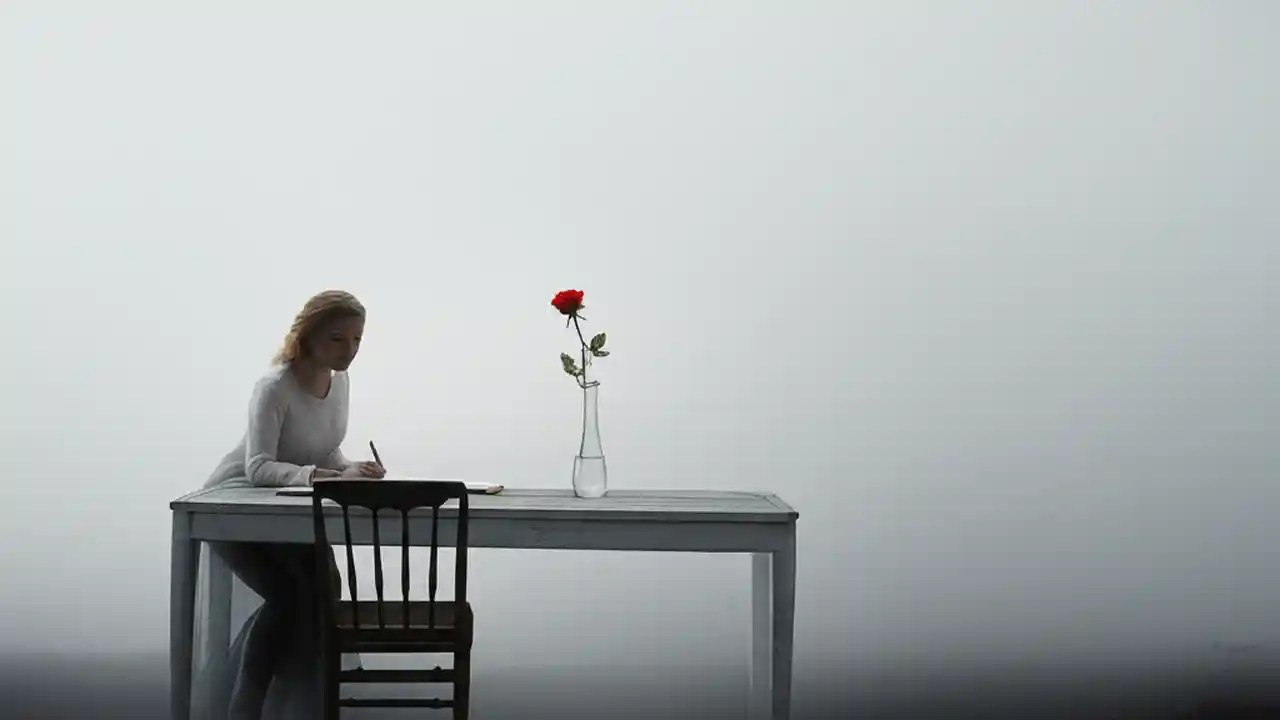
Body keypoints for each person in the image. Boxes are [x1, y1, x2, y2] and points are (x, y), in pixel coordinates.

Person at [203, 289, 385, 719]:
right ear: (309, 336)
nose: (351, 350)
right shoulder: (273, 387)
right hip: (237, 509)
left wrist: (352, 467)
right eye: (338, 339)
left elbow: (322, 451)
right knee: (289, 598)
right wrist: (331, 477)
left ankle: (298, 707)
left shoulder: (340, 382)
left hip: (292, 507)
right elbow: (259, 467)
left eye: (358, 340)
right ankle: (244, 708)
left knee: (321, 594)